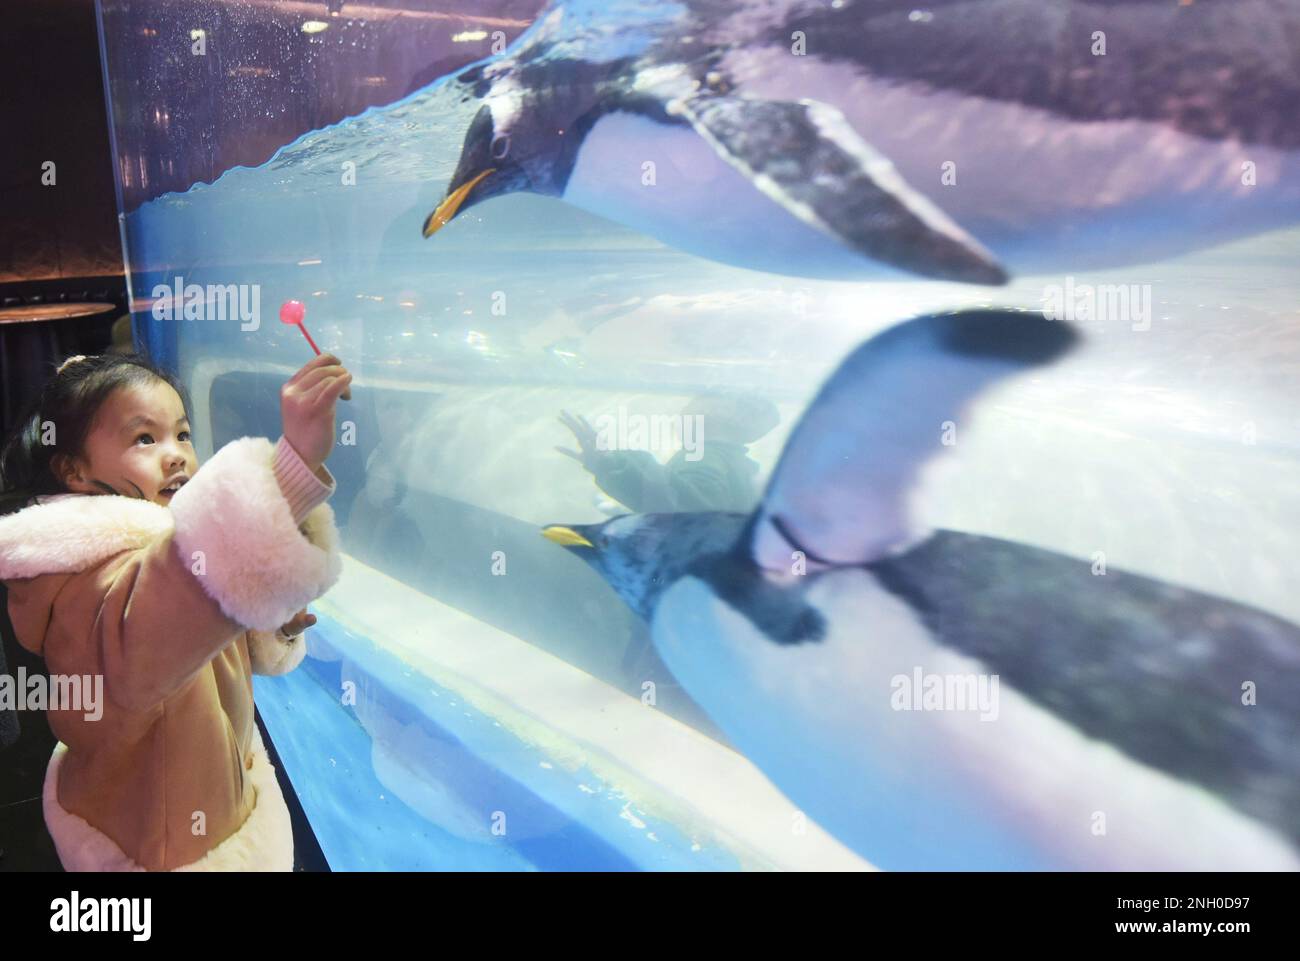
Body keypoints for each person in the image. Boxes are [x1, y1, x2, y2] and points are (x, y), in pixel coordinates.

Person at [0, 350, 352, 871]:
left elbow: (197, 634)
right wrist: (291, 467)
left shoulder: (172, 555)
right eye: (145, 438)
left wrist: (271, 626)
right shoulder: (93, 579)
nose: (176, 456)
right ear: (73, 470)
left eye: (182, 434)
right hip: (167, 848)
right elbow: (156, 625)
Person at [557, 392, 780, 514]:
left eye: (691, 405)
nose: (680, 415)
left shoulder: (701, 455)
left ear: (715, 412)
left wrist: (611, 464)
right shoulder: (738, 463)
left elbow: (691, 510)